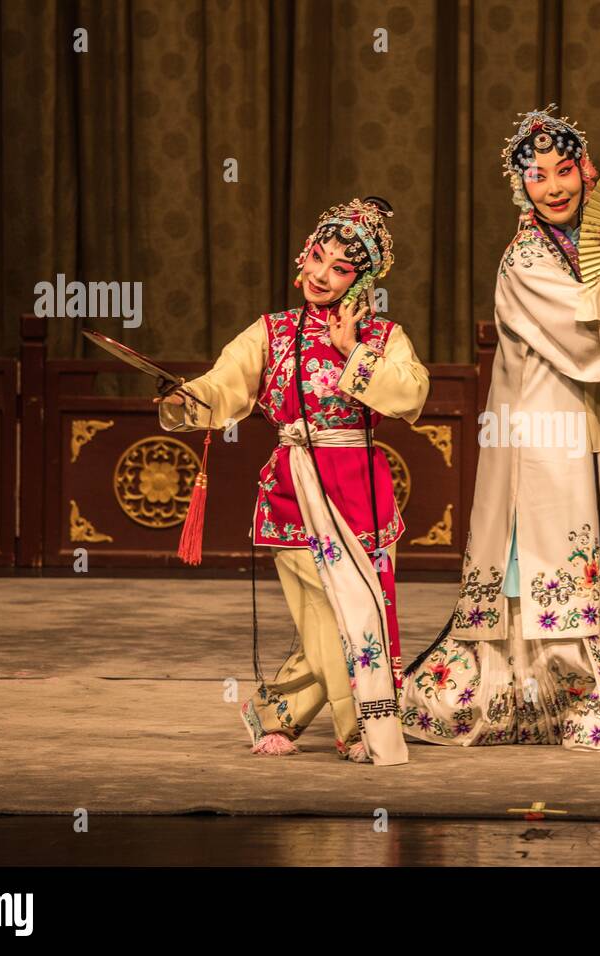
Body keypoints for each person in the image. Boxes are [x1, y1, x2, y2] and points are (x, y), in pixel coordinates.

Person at [400, 106, 600, 754]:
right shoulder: (525, 262)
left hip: (576, 430)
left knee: (563, 562)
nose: (554, 186)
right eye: (537, 176)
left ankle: (560, 707)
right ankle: (567, 706)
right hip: (539, 437)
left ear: (586, 175)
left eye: (564, 170)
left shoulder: (586, 254)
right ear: (520, 188)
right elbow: (585, 330)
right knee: (544, 564)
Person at [155, 197, 429, 766]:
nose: (321, 276)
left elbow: (412, 395)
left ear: (363, 280)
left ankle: (275, 713)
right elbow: (225, 383)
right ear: (303, 255)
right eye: (317, 258)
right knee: (328, 615)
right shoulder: (271, 332)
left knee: (357, 614)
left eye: (340, 269)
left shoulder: (383, 336)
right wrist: (188, 402)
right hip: (295, 486)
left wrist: (352, 350)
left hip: (362, 489)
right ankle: (360, 728)